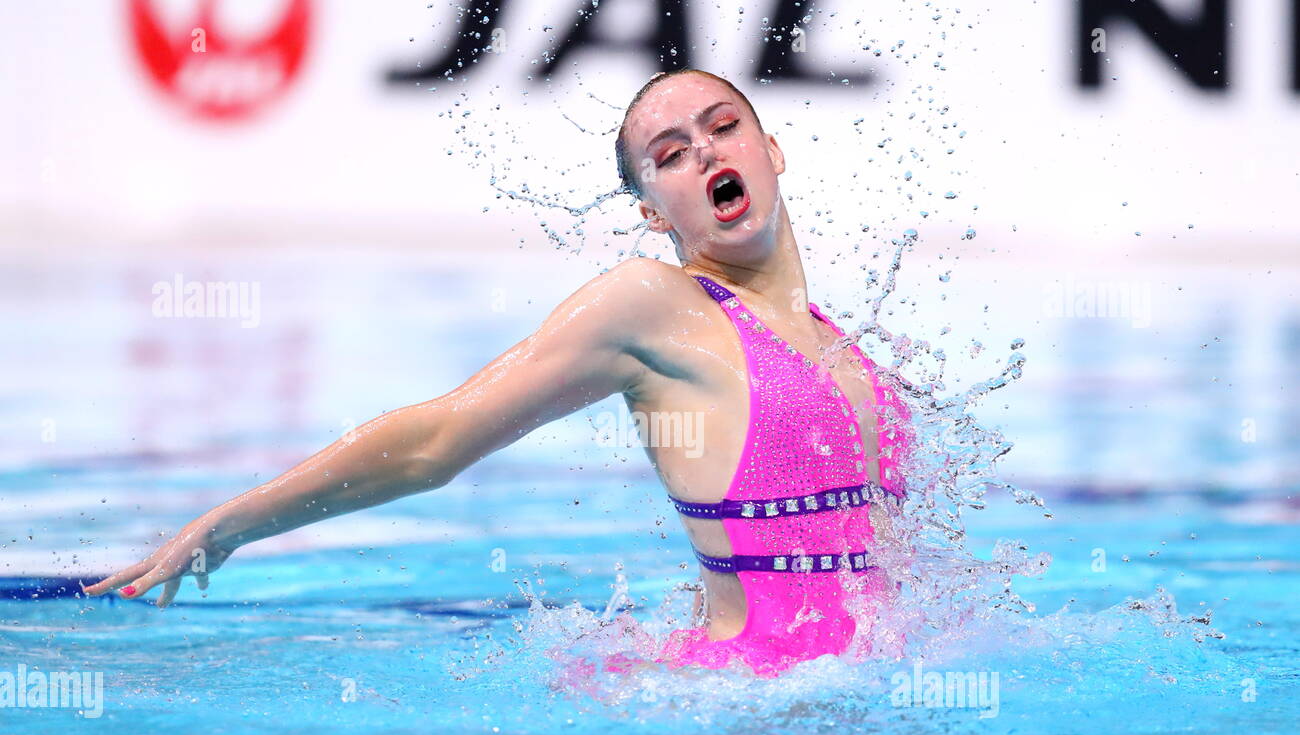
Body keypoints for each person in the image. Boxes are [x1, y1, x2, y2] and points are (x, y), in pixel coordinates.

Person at [83, 68, 913, 678]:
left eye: (722, 127)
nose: (703, 150)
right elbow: (435, 440)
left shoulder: (845, 345)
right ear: (653, 211)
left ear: (770, 149)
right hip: (750, 727)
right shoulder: (654, 305)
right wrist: (231, 523)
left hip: (846, 712)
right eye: (670, 153)